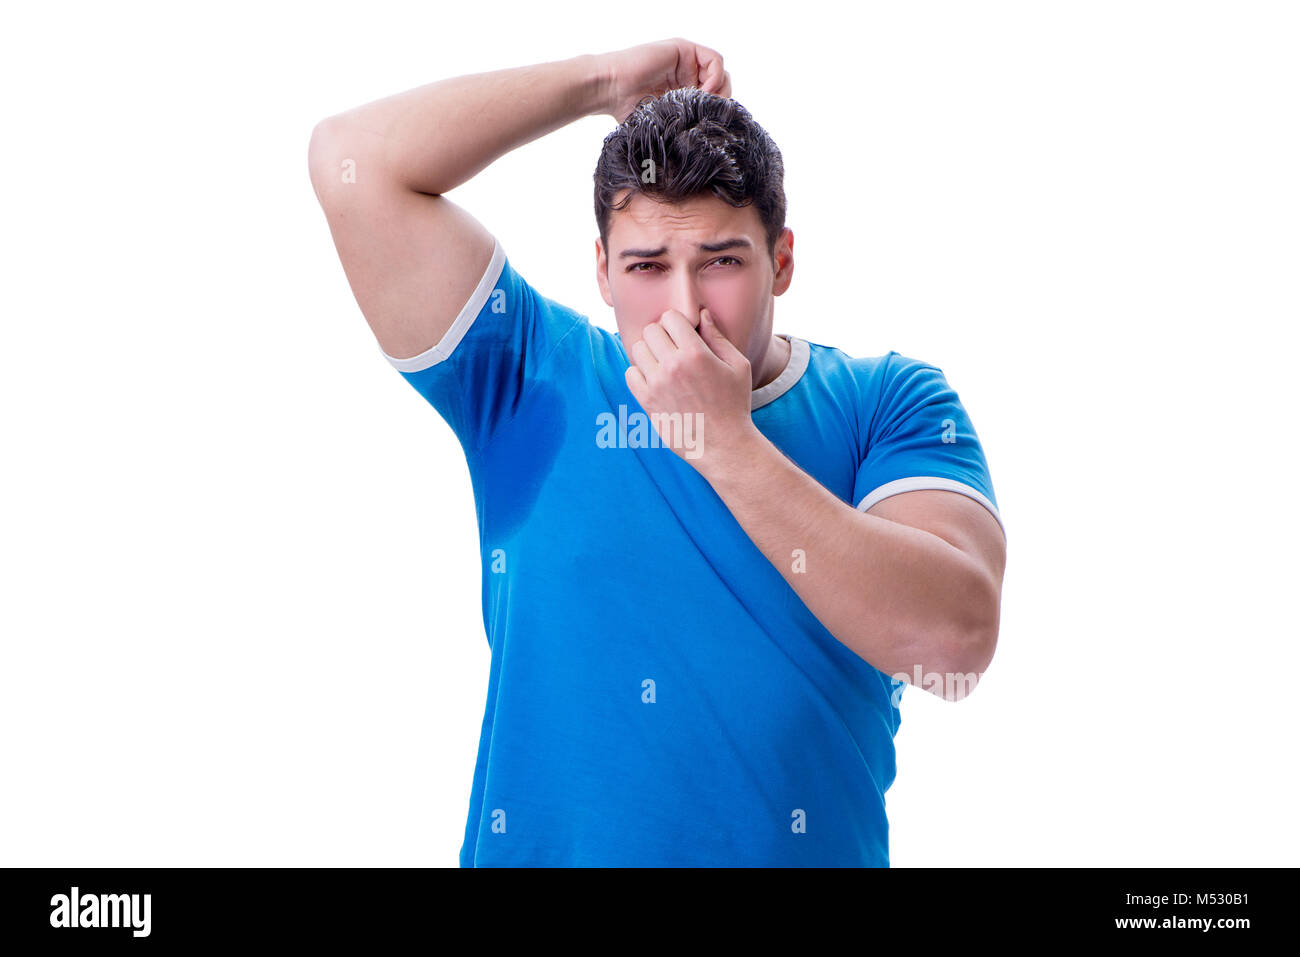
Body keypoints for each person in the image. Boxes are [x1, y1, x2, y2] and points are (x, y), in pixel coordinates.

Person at [308, 37, 1007, 867]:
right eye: (646, 265)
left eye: (720, 263)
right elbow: (350, 161)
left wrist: (725, 444)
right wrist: (602, 83)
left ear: (781, 261)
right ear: (602, 271)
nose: (685, 305)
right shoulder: (532, 375)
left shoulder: (888, 403)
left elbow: (954, 638)